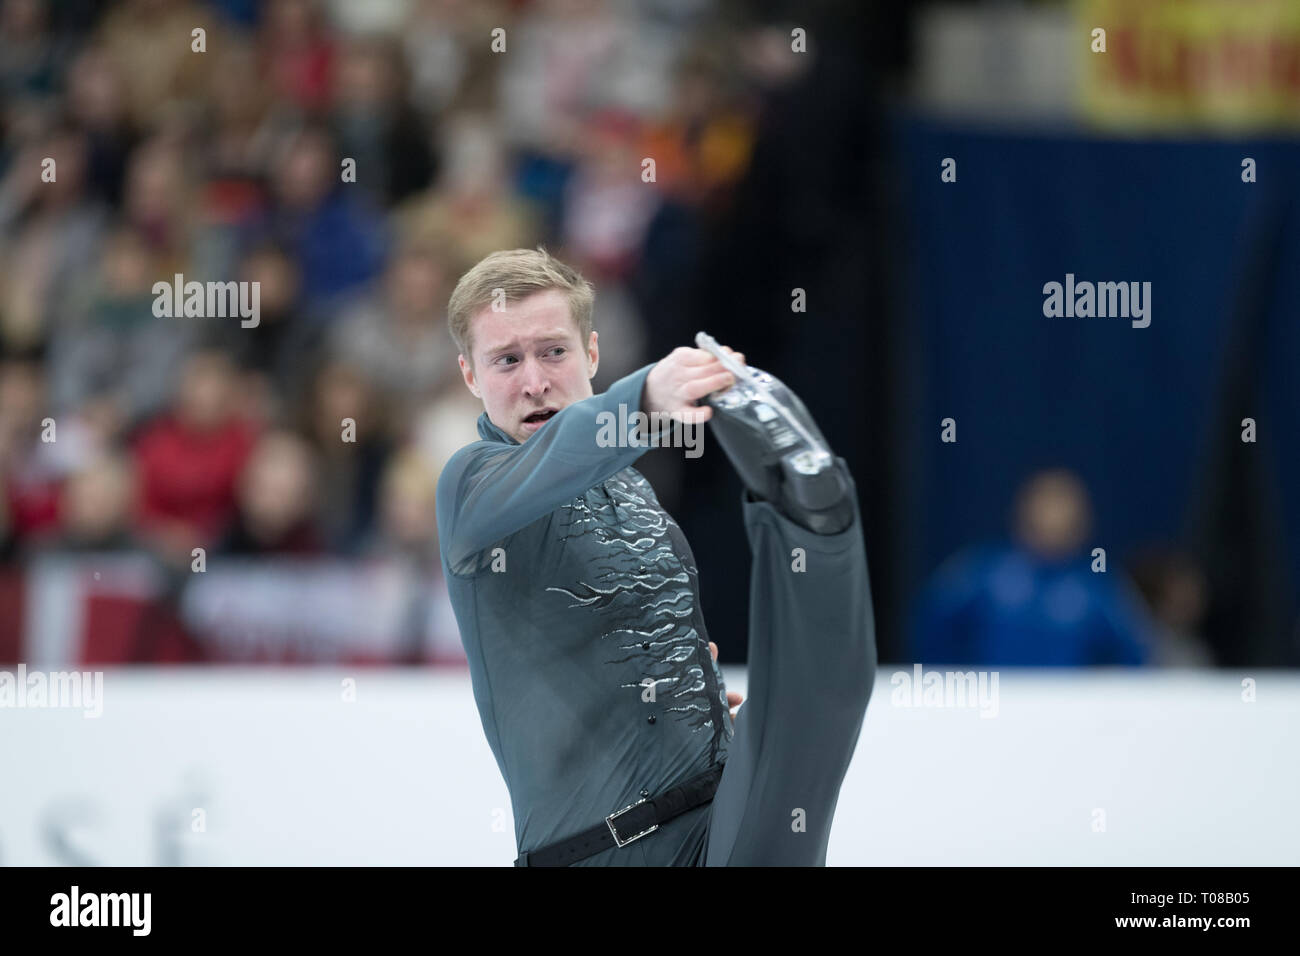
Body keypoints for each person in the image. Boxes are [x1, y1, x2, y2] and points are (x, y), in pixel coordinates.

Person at [435, 247, 876, 866]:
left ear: (590, 353)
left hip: (717, 813)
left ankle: (810, 513)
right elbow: (561, 457)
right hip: (604, 853)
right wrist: (643, 395)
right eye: (507, 360)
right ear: (470, 376)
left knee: (804, 699)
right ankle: (803, 515)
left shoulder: (630, 486)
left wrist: (687, 691)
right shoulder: (471, 485)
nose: (534, 380)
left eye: (553, 351)